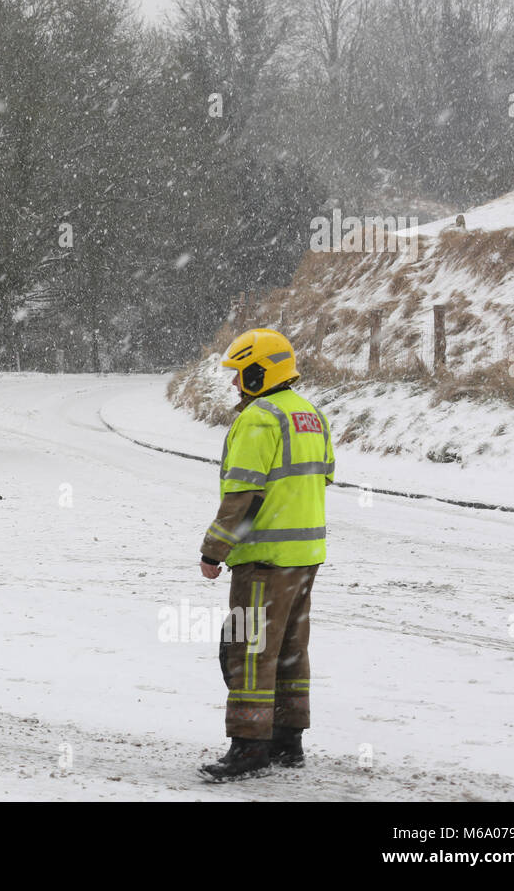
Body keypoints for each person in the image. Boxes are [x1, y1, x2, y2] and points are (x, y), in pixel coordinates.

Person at [196, 328, 335, 782]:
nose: (235, 384)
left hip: (264, 558)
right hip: (306, 555)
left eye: (240, 375)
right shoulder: (310, 414)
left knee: (249, 650)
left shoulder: (259, 418)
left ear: (260, 372)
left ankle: (249, 748)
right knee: (292, 649)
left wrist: (214, 550)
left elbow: (245, 495)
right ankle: (287, 742)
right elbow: (323, 477)